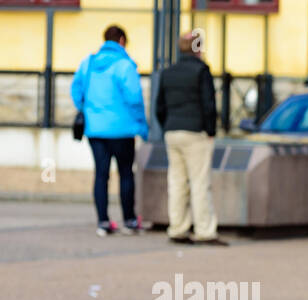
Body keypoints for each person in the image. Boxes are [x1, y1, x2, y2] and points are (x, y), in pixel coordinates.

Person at [70, 25, 149, 237]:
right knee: (125, 174)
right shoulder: (124, 66)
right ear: (122, 40)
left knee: (101, 175)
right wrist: (142, 126)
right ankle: (129, 221)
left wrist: (85, 108)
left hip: (95, 130)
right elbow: (134, 99)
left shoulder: (88, 63)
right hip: (122, 131)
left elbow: (76, 89)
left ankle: (103, 222)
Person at [155, 31, 224, 246]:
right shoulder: (201, 71)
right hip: (195, 132)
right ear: (197, 49)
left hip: (172, 131)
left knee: (176, 182)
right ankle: (205, 231)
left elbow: (159, 106)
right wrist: (210, 130)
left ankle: (177, 228)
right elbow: (208, 104)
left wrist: (167, 125)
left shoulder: (168, 72)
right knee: (200, 183)